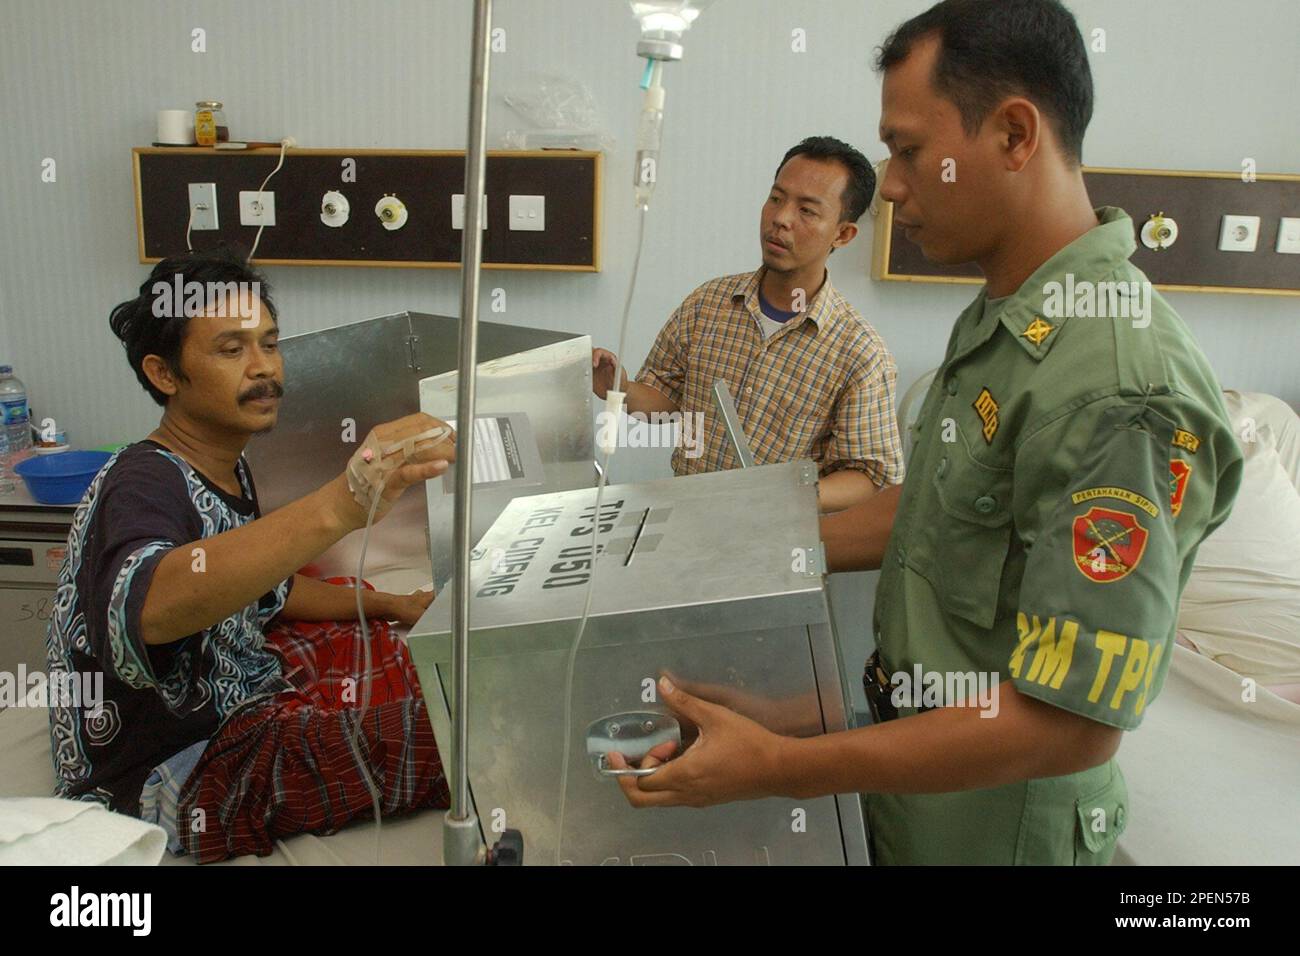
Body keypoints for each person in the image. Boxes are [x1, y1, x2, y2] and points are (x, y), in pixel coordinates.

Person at [610, 0, 1242, 865]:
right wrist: (742, 558)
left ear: (1015, 134)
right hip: (917, 788)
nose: (893, 184)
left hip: (996, 832)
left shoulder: (1117, 391)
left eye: (908, 150)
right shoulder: (1005, 319)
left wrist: (787, 766)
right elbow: (934, 511)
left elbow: (1067, 721)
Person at [47, 246, 456, 862]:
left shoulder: (227, 465)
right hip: (175, 772)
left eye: (270, 342)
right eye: (232, 350)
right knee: (456, 735)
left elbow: (268, 587)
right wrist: (344, 502)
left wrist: (389, 603)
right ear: (164, 374)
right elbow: (150, 607)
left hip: (242, 700)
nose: (264, 368)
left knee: (410, 654)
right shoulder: (142, 483)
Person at [593, 136, 904, 513]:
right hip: (687, 517)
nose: (780, 218)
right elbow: (667, 405)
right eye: (776, 198)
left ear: (842, 233)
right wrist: (621, 389)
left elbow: (870, 477)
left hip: (778, 542)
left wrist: (788, 497)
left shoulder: (860, 352)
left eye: (807, 210)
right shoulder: (708, 304)